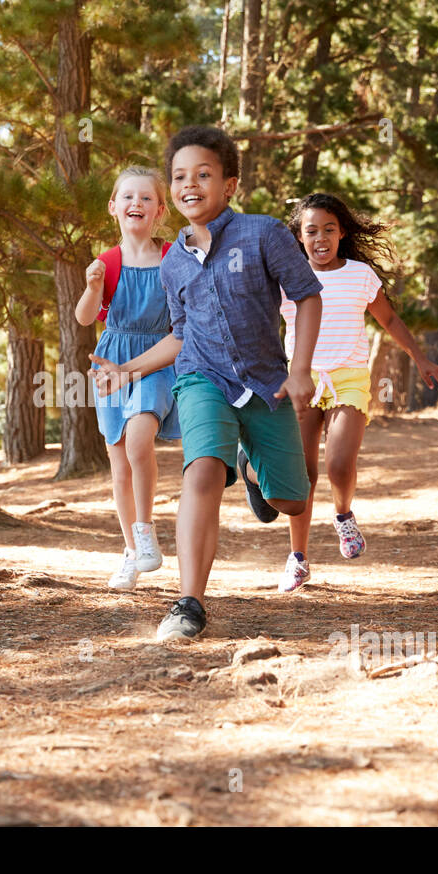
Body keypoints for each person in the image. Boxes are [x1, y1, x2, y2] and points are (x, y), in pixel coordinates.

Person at [93, 126, 322, 640]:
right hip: (201, 379)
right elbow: (179, 336)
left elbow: (307, 295)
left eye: (203, 174)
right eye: (179, 176)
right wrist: (126, 371)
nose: (189, 184)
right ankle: (188, 603)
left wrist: (301, 368)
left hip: (266, 384)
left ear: (230, 184)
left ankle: (257, 473)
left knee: (293, 502)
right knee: (201, 473)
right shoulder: (172, 263)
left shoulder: (263, 234)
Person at [271, 193, 438, 591]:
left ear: (342, 232)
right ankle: (297, 559)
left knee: (337, 465)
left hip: (349, 377)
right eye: (311, 230)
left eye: (329, 229)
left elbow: (388, 318)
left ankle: (343, 515)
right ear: (299, 237)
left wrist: (421, 359)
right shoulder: (286, 277)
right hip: (303, 379)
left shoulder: (358, 275)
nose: (320, 238)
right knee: (303, 476)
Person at [75, 167, 180, 589]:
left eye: (146, 198)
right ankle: (132, 552)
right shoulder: (106, 262)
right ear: (113, 207)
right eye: (128, 197)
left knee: (139, 440)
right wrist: (91, 286)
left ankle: (146, 528)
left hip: (156, 358)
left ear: (159, 210)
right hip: (110, 359)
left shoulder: (174, 256)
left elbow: (182, 320)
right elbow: (85, 317)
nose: (136, 203)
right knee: (118, 463)